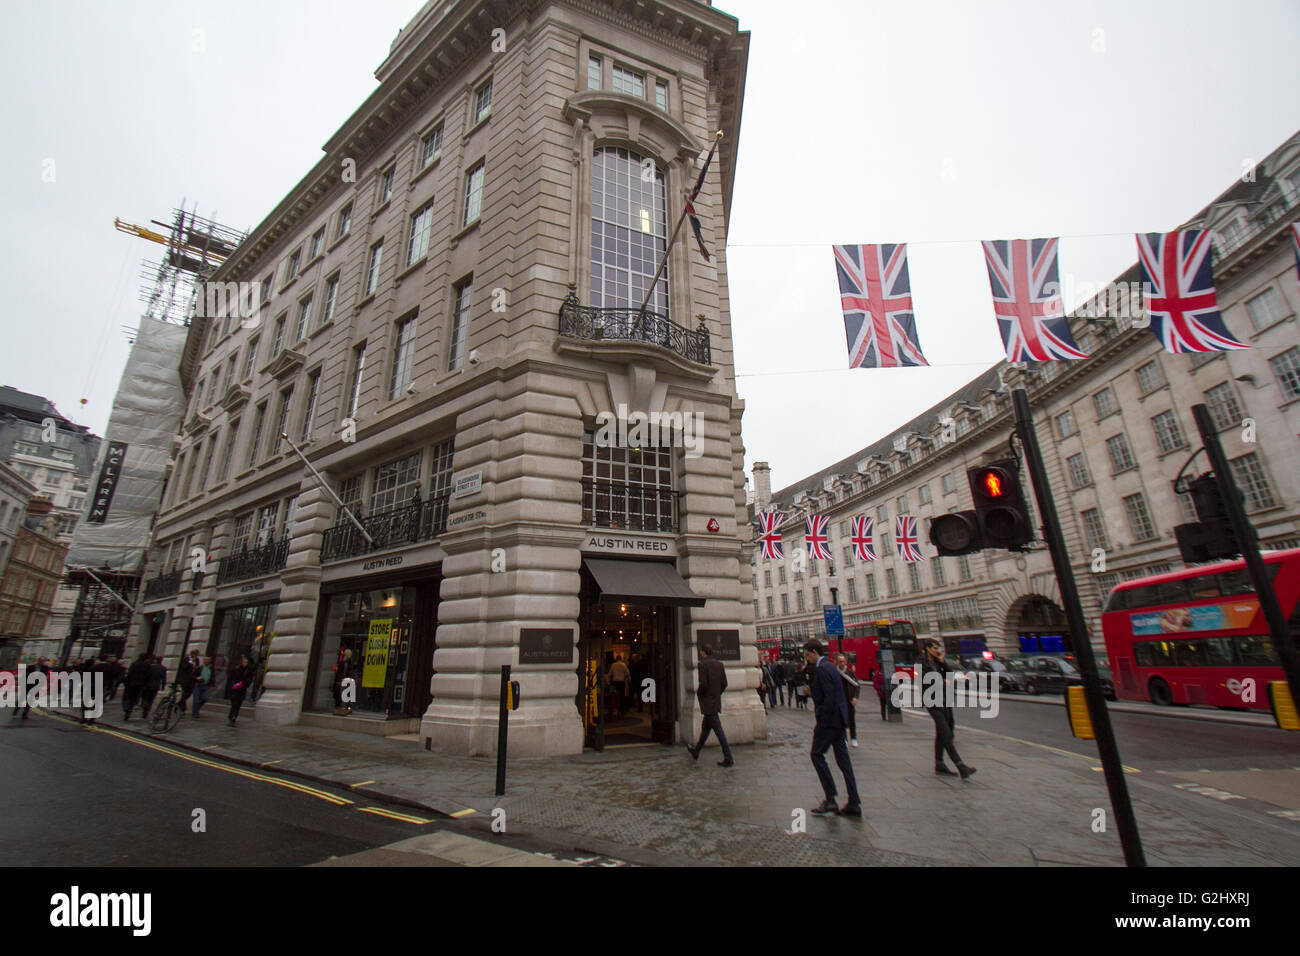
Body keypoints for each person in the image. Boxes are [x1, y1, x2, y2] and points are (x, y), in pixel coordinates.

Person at [804, 640, 861, 817]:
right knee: (844, 761)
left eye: (807, 655)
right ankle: (853, 802)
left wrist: (821, 720)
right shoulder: (830, 667)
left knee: (816, 755)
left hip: (829, 722)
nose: (807, 659)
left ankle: (830, 799)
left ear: (814, 652)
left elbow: (828, 699)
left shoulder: (822, 670)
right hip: (840, 721)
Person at [920, 639, 976, 780]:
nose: (937, 650)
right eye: (934, 648)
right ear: (927, 648)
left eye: (938, 647)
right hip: (932, 701)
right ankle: (961, 766)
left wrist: (942, 661)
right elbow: (926, 679)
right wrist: (940, 680)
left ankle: (939, 764)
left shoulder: (937, 662)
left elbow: (949, 674)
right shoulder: (921, 662)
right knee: (946, 733)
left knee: (946, 731)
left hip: (944, 700)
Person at [686, 644, 733, 767]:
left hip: (707, 702)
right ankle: (696, 751)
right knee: (706, 728)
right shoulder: (720, 664)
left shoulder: (702, 664)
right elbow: (725, 683)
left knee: (719, 731)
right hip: (715, 701)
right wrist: (716, 694)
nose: (700, 654)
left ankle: (728, 757)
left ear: (703, 653)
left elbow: (704, 683)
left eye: (701, 652)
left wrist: (699, 693)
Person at [835, 653, 861, 747]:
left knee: (851, 720)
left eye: (843, 661)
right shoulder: (834, 673)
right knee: (842, 721)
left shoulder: (850, 673)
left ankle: (854, 738)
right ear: (837, 662)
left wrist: (855, 697)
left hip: (849, 700)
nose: (842, 663)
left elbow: (857, 686)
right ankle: (844, 739)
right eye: (840, 661)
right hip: (839, 701)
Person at [122, 653, 151, 720]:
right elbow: (148, 676)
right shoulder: (147, 665)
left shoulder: (134, 664)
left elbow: (129, 674)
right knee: (134, 698)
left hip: (131, 683)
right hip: (140, 685)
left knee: (128, 697)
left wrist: (126, 682)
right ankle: (130, 708)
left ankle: (127, 708)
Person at [227, 655, 253, 725]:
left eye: (246, 662)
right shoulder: (236, 669)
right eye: (244, 662)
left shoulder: (248, 670)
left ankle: (234, 716)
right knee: (234, 703)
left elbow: (250, 679)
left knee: (238, 703)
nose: (245, 663)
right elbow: (230, 678)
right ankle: (232, 716)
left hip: (242, 689)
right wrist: (233, 684)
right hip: (235, 689)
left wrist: (245, 685)